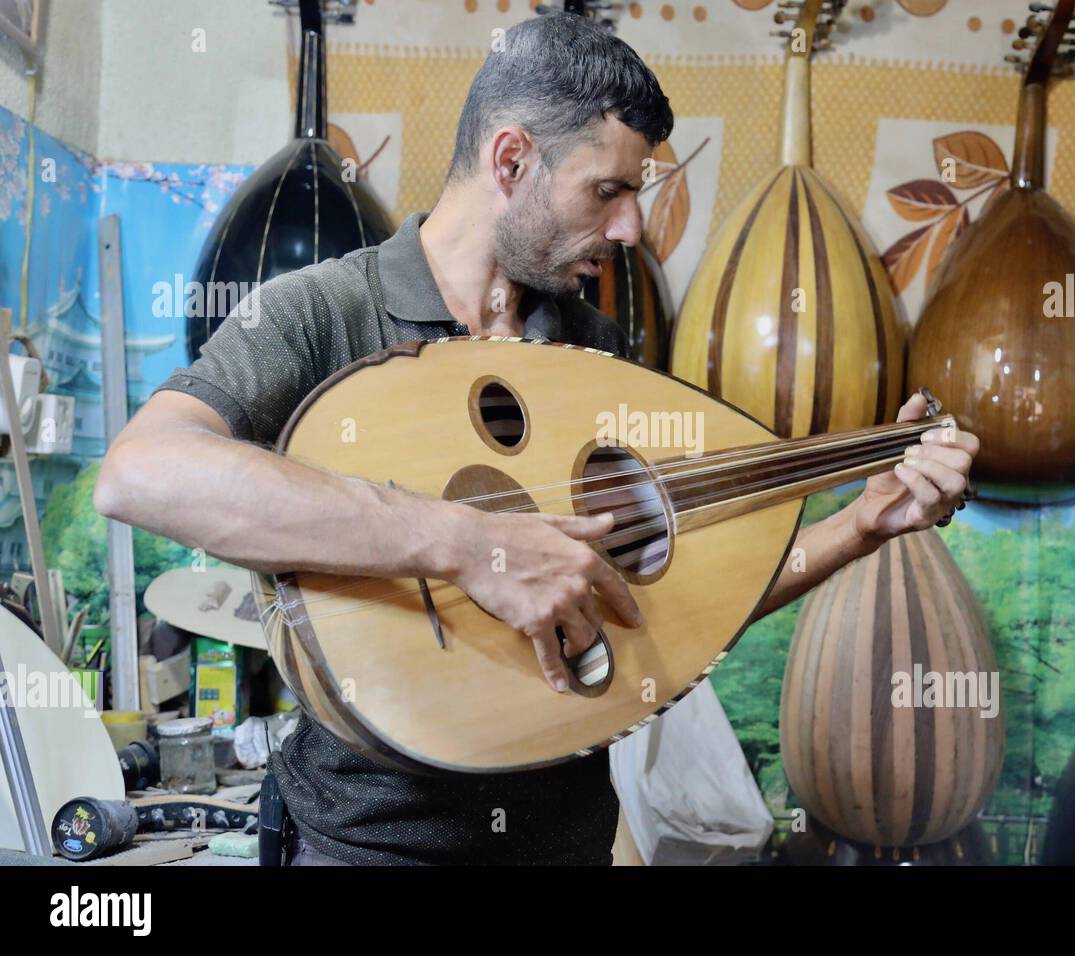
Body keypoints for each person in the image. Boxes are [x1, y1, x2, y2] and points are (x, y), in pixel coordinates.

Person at [94, 13, 978, 865]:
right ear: (511, 158)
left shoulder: (592, 350)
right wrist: (469, 544)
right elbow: (142, 474)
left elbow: (664, 609)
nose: (632, 229)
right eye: (610, 190)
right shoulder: (324, 310)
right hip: (370, 850)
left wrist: (859, 526)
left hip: (566, 845)